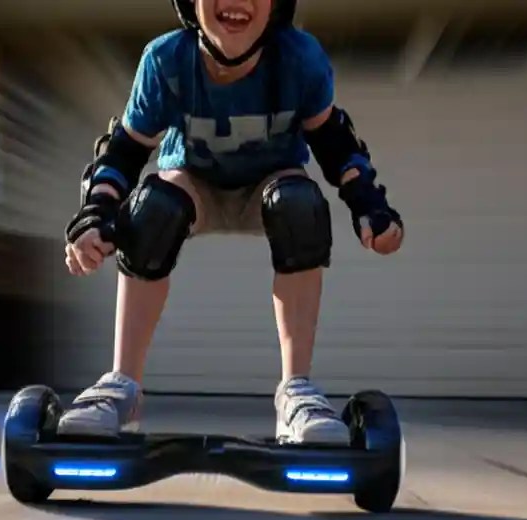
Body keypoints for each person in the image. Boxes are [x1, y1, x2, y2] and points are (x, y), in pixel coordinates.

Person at [59, 0, 404, 444]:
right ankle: (122, 386)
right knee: (152, 211)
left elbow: (334, 141)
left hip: (270, 182)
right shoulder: (166, 59)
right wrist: (95, 214)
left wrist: (368, 204)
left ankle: (296, 390)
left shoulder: (299, 58)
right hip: (193, 183)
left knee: (299, 206)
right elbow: (124, 150)